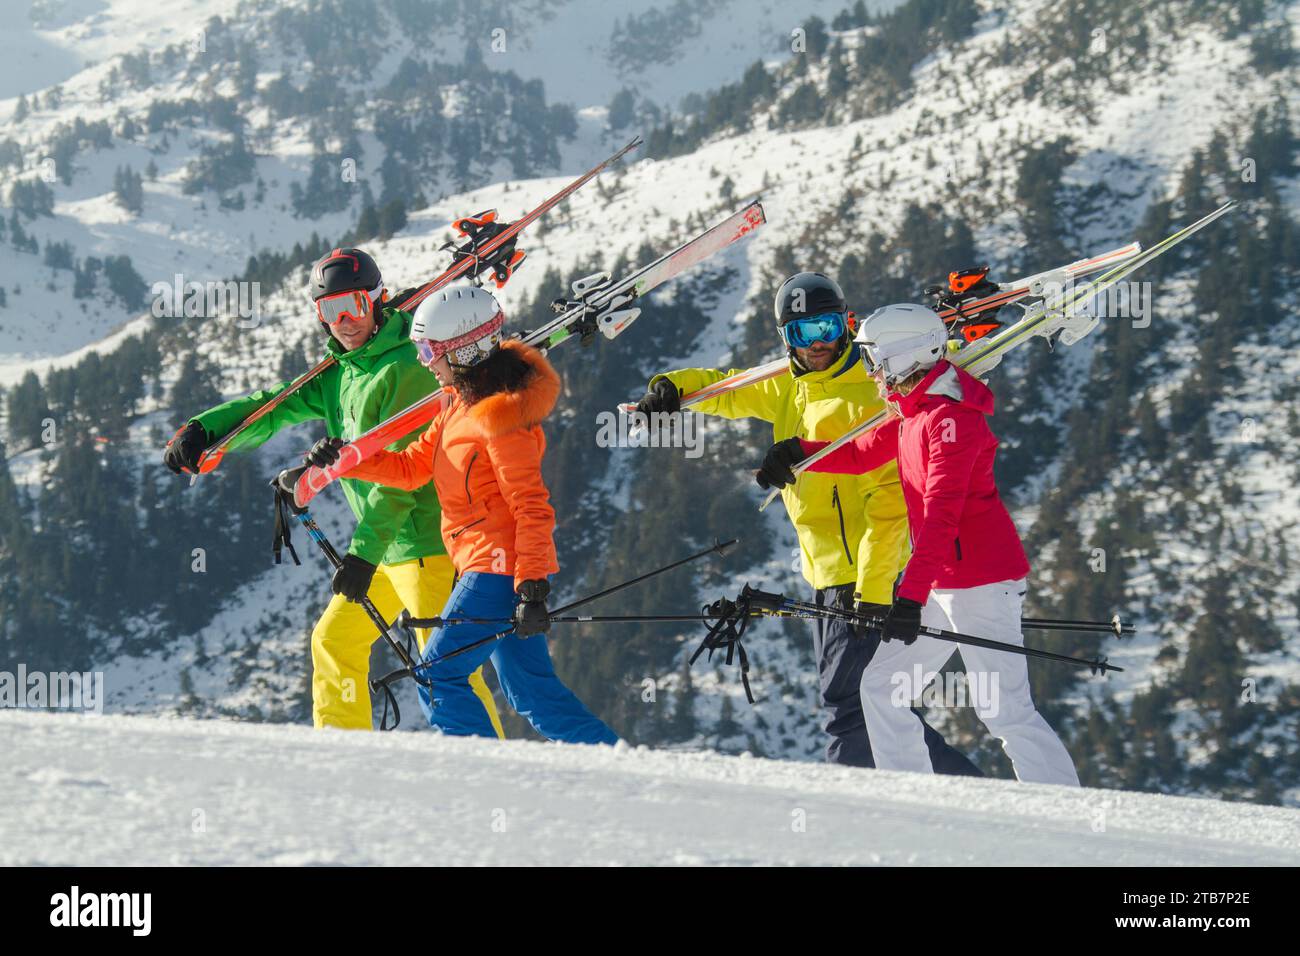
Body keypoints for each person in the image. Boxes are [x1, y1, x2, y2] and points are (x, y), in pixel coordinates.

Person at [634, 273, 980, 774]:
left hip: (867, 577)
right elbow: (728, 390)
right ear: (785, 339)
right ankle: (956, 800)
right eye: (802, 333)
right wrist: (674, 388)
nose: (818, 344)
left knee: (850, 708)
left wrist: (874, 590)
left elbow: (890, 504)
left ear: (847, 323)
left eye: (827, 327)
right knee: (872, 707)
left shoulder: (875, 388)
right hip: (825, 577)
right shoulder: (786, 386)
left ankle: (861, 807)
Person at [162, 247, 503, 735]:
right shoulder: (339, 373)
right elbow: (272, 407)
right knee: (334, 642)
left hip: (427, 545)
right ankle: (342, 756)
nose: (343, 322)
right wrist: (205, 429)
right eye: (330, 310)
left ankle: (491, 771)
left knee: (447, 669)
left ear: (378, 301)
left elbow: (405, 481)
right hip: (387, 551)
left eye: (354, 307)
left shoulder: (407, 368)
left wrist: (361, 557)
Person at [756, 302, 1079, 785]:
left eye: (874, 357)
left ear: (901, 355)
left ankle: (1066, 810)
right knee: (883, 688)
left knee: (1003, 711)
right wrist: (798, 455)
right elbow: (863, 451)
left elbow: (941, 517)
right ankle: (913, 797)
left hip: (980, 581)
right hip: (940, 580)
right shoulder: (914, 411)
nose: (870, 368)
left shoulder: (950, 420)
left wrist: (907, 597)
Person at [308, 284, 618, 744]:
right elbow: (412, 468)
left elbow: (530, 505)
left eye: (430, 350)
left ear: (465, 351)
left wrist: (532, 584)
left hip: (495, 570)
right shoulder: (458, 405)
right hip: (490, 567)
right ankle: (614, 767)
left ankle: (482, 777)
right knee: (531, 690)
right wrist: (347, 459)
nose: (424, 361)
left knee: (438, 676)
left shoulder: (500, 418)